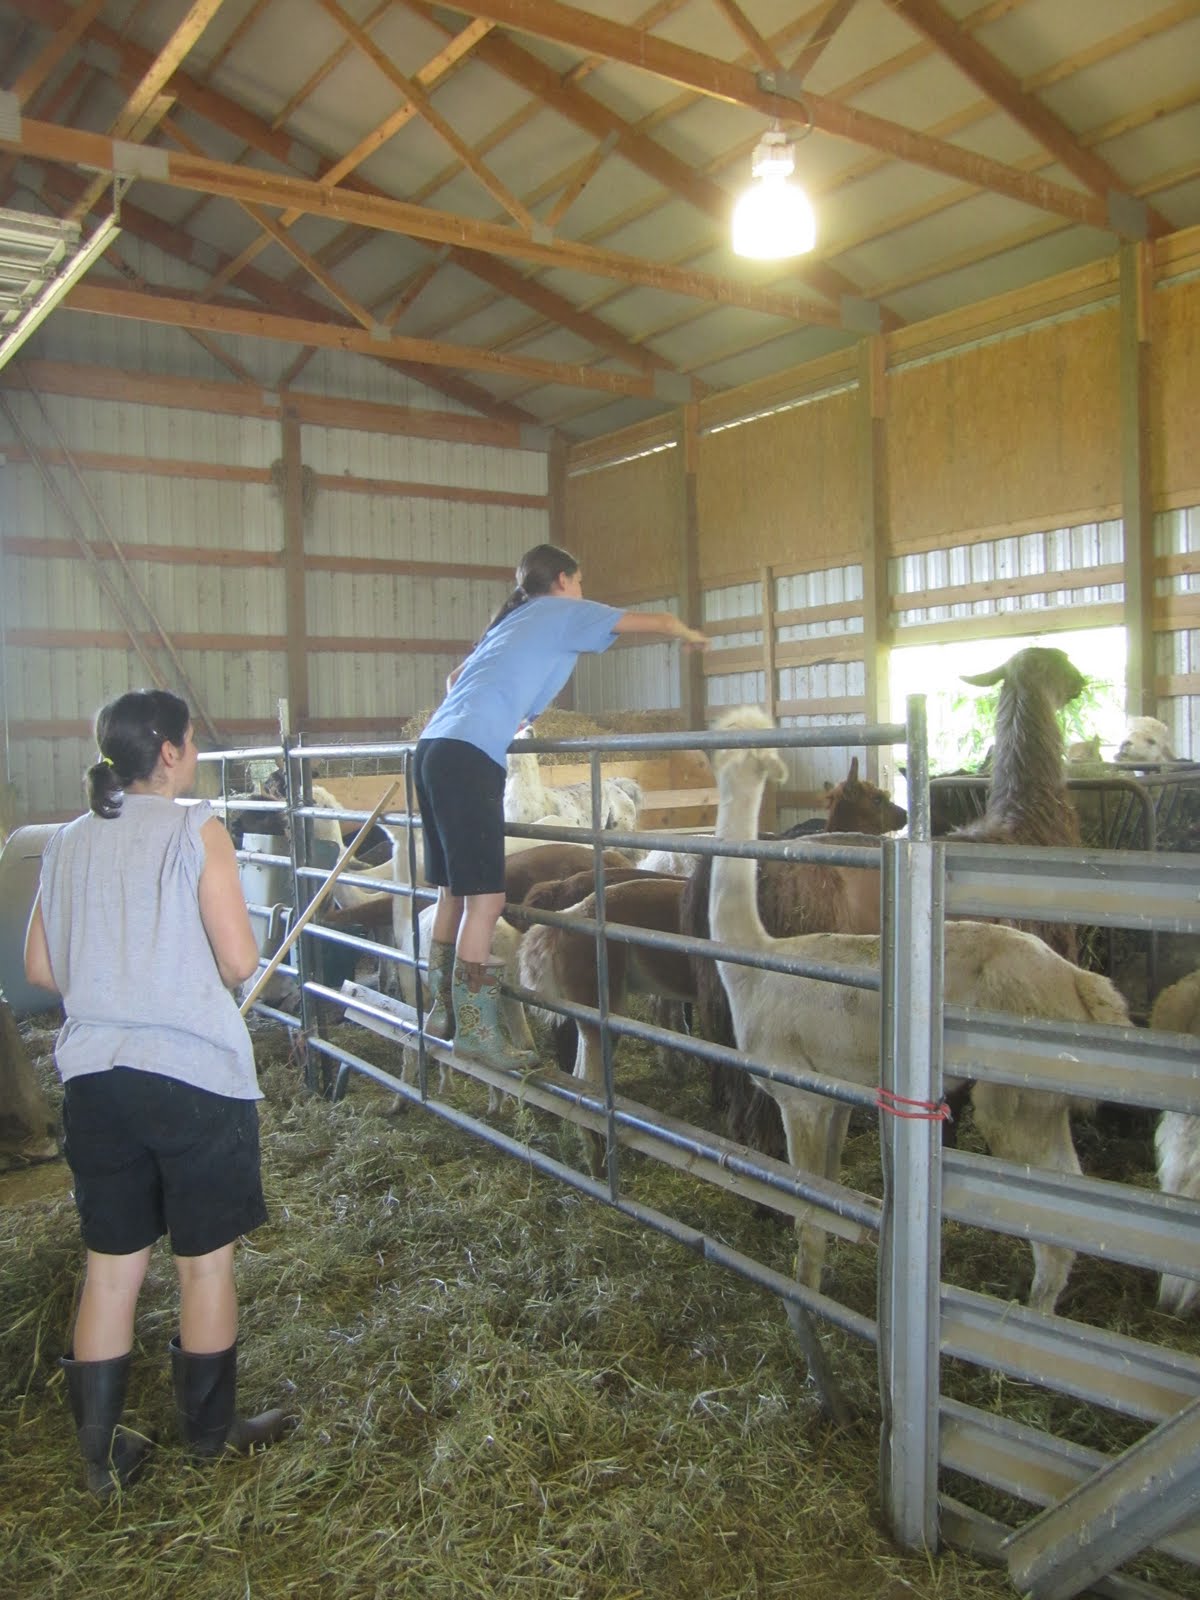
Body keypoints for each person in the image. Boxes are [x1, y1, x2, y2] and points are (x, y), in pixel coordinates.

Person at [23, 689, 290, 1498]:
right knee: (204, 1268)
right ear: (169, 752)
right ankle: (209, 1437)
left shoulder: (65, 841)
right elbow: (239, 961)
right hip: (191, 1076)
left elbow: (41, 968)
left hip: (95, 1080)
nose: (194, 756)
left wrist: (113, 978)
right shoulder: (194, 828)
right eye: (191, 743)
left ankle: (101, 1460)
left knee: (110, 1270)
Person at [414, 543, 708, 1070]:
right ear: (565, 580)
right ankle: (476, 1029)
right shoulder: (561, 611)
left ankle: (442, 1011)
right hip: (469, 756)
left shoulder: (512, 621)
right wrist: (688, 633)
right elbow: (654, 621)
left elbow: (454, 681)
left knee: (451, 892)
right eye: (580, 580)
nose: (582, 590)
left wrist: (505, 713)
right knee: (486, 901)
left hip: (432, 749)